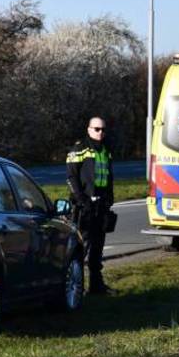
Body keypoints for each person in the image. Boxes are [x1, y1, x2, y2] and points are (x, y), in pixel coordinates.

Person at [66, 116, 114, 295]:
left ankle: (96, 286)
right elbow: (71, 177)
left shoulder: (106, 150)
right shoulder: (79, 149)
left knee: (97, 247)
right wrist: (81, 200)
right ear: (89, 129)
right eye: (96, 129)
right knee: (81, 248)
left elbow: (109, 176)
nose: (100, 132)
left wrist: (110, 197)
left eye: (103, 129)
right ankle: (74, 288)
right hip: (84, 206)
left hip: (101, 205)